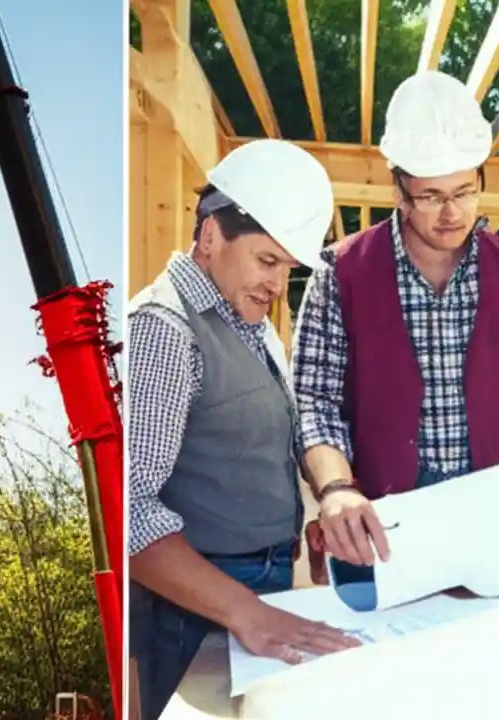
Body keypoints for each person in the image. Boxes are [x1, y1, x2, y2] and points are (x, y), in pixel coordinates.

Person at [292, 70, 499, 584]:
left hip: (498, 521)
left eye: (465, 192)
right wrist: (336, 490)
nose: (451, 214)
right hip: (384, 524)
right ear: (398, 189)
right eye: (431, 197)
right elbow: (314, 403)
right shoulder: (340, 274)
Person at [127, 139, 360, 720]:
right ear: (210, 235)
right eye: (266, 260)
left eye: (287, 267)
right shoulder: (164, 331)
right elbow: (127, 510)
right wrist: (245, 612)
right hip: (194, 611)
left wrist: (315, 506)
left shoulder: (251, 323)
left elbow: (263, 434)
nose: (278, 285)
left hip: (258, 586)